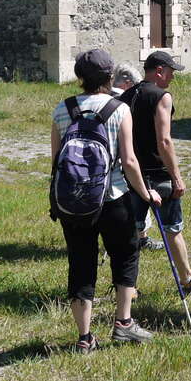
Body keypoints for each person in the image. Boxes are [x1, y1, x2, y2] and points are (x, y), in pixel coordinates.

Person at [50, 49, 162, 352]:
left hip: (74, 200)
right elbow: (129, 161)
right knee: (126, 255)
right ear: (110, 77)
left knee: (80, 263)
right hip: (114, 198)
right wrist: (145, 193)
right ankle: (123, 323)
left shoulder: (63, 108)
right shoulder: (119, 108)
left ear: (79, 78)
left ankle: (85, 338)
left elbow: (56, 160)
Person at [119, 51, 191, 293]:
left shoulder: (126, 96)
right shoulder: (162, 97)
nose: (173, 77)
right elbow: (164, 140)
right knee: (173, 229)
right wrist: (176, 176)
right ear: (160, 70)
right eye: (171, 71)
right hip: (159, 175)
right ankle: (188, 279)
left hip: (133, 174)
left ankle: (127, 286)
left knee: (131, 233)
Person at [112, 62, 164, 252]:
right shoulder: (121, 102)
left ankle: (137, 238)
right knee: (139, 199)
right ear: (126, 82)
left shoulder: (104, 99)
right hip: (127, 160)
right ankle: (139, 239)